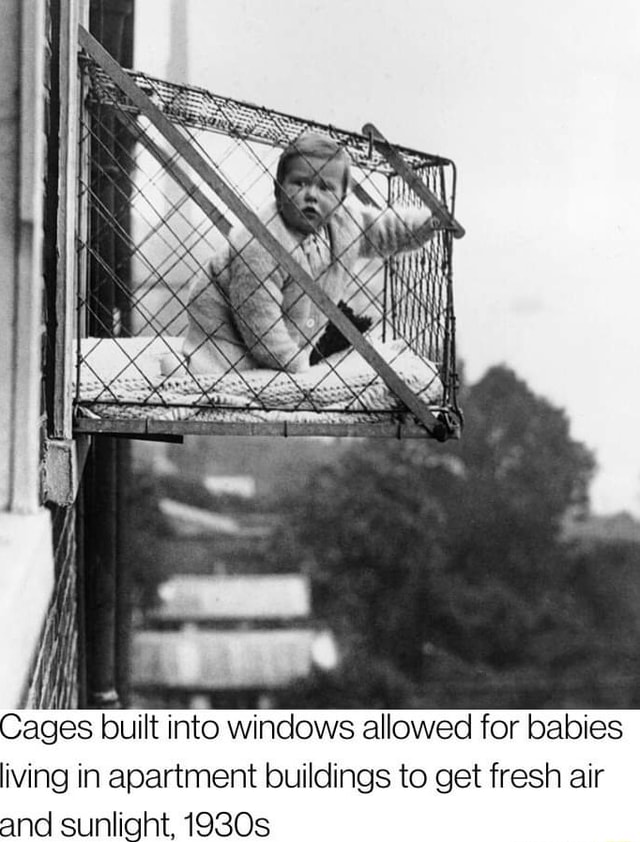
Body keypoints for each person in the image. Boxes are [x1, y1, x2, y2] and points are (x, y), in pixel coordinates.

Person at [184, 132, 440, 375]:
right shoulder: (260, 242)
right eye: (300, 183)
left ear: (342, 199)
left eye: (325, 188)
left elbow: (388, 230)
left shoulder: (345, 224)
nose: (311, 195)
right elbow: (259, 319)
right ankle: (190, 363)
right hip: (224, 332)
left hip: (292, 334)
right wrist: (294, 365)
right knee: (224, 371)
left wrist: (429, 224)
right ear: (277, 189)